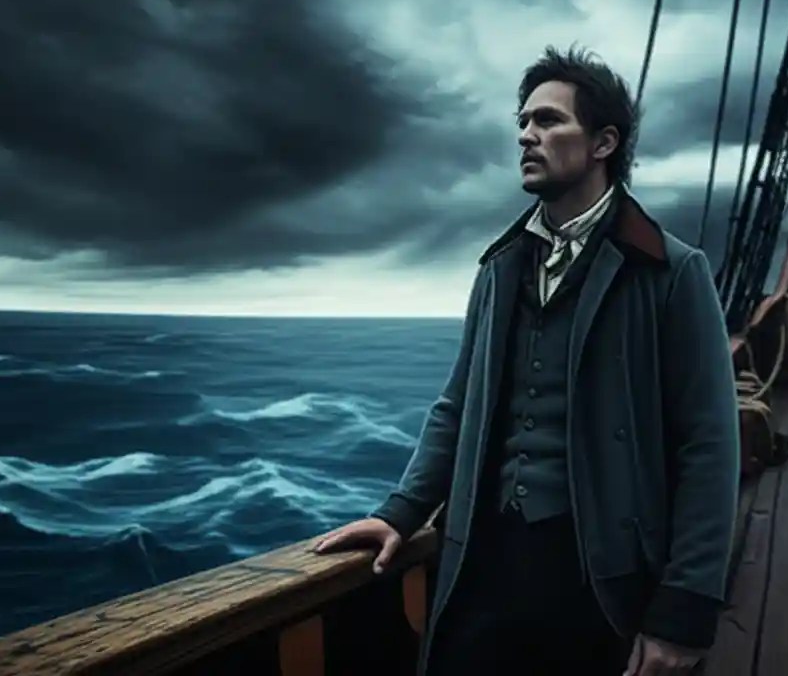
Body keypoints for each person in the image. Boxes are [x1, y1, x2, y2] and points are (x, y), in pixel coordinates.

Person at [313, 45, 741, 676]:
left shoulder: (671, 272)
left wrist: (685, 608)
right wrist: (400, 512)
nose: (526, 135)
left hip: (601, 578)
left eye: (548, 121)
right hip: (485, 564)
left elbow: (709, 443)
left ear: (603, 143)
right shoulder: (499, 267)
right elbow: (459, 405)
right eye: (523, 122)